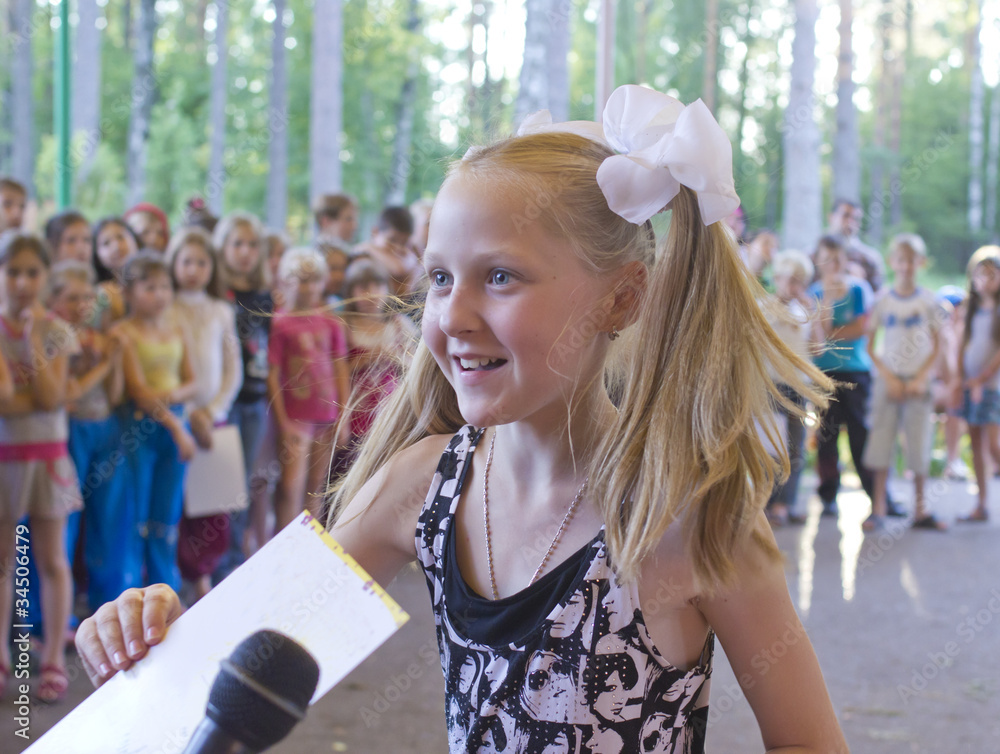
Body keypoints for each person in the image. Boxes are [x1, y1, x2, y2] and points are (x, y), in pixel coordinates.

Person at [76, 85, 848, 752]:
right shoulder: (426, 484)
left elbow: (809, 737)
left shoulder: (682, 516)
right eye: (441, 277)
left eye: (501, 276)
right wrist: (144, 632)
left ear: (622, 297)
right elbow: (250, 650)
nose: (452, 316)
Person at [0, 234, 76, 703]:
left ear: (46, 277)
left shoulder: (55, 330)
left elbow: (49, 396)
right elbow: (4, 402)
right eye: (13, 272)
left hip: (49, 456)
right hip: (7, 459)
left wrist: (29, 340)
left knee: (51, 560)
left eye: (33, 272)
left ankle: (50, 658)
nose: (23, 282)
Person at [166, 227, 242, 600]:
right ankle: (170, 576)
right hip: (175, 421)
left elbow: (233, 368)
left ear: (211, 267)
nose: (193, 269)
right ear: (173, 264)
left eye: (201, 262)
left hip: (214, 420)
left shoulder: (221, 311)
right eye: (186, 261)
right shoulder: (165, 306)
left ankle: (201, 577)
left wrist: (212, 411)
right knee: (173, 503)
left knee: (212, 509)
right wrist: (185, 412)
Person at [48, 261, 129, 610]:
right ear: (54, 301)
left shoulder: (99, 338)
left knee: (110, 517)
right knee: (63, 522)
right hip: (70, 433)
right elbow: (70, 393)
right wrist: (104, 366)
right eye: (72, 298)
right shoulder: (52, 338)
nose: (82, 306)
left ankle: (106, 602)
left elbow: (113, 395)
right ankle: (51, 612)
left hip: (106, 428)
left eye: (87, 298)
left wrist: (114, 363)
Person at [114, 253, 198, 591]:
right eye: (150, 287)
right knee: (136, 514)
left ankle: (166, 590)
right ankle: (130, 592)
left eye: (165, 287)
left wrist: (174, 401)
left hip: (175, 423)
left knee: (167, 513)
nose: (160, 294)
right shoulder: (122, 333)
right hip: (141, 427)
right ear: (130, 292)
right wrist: (177, 424)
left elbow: (194, 381)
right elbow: (139, 391)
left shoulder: (177, 328)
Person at [863, 234, 945, 531]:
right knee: (881, 441)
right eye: (901, 259)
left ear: (920, 263)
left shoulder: (928, 300)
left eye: (912, 260)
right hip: (889, 381)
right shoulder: (883, 299)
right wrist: (889, 377)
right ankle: (879, 508)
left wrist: (922, 377)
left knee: (919, 442)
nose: (907, 266)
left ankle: (920, 509)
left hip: (917, 383)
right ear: (892, 262)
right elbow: (871, 346)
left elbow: (938, 345)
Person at [267, 247, 350, 531]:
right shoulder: (279, 323)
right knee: (290, 486)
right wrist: (282, 422)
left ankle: (309, 547)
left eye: (314, 280)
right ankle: (283, 548)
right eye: (301, 280)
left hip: (326, 416)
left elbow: (340, 369)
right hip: (296, 418)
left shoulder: (330, 321)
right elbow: (273, 374)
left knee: (316, 486)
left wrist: (344, 416)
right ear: (286, 281)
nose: (309, 287)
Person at [809, 235, 885, 518]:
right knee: (826, 436)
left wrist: (829, 335)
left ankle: (876, 497)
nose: (833, 265)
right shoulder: (815, 292)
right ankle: (828, 494)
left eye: (838, 258)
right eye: (827, 259)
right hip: (824, 373)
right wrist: (827, 302)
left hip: (855, 371)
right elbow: (817, 339)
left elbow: (861, 328)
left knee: (860, 435)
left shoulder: (859, 289)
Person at [212, 211, 271, 578]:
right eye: (237, 244)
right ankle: (216, 566)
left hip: (254, 399)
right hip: (222, 401)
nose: (245, 252)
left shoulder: (264, 295)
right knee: (220, 485)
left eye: (252, 245)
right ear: (223, 247)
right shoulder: (217, 296)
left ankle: (235, 559)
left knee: (244, 483)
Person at [762, 249, 815, 526]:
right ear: (777, 278)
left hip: (796, 386)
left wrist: (811, 314)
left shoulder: (802, 312)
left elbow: (816, 345)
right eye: (791, 280)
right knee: (771, 444)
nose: (796, 288)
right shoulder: (764, 307)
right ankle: (767, 501)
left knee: (795, 446)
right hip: (771, 386)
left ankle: (786, 502)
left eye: (801, 282)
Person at [341, 258, 417, 446]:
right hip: (352, 413)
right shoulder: (344, 326)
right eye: (362, 288)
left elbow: (415, 368)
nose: (371, 295)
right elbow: (335, 372)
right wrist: (367, 357)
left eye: (377, 286)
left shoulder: (399, 325)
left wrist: (394, 356)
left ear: (387, 289)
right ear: (350, 292)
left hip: (390, 411)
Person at [953, 245, 1000, 523]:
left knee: (994, 445)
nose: (985, 280)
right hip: (971, 385)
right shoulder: (970, 309)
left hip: (992, 386)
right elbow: (962, 345)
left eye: (992, 275)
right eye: (980, 275)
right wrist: (962, 379)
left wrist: (981, 379)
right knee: (976, 444)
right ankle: (981, 504)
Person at [931, 286, 969, 479]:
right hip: (930, 387)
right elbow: (945, 373)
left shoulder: (965, 333)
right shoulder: (935, 333)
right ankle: (918, 462)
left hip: (951, 389)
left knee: (956, 401)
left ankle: (953, 461)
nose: (955, 314)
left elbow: (954, 376)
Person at [353, 206, 421, 297]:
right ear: (375, 232)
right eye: (392, 240)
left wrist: (369, 248)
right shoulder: (363, 256)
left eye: (404, 243)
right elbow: (398, 269)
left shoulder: (367, 249)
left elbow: (399, 268)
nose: (398, 247)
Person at [826, 199, 885, 292]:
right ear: (831, 217)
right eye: (845, 216)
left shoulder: (870, 258)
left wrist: (861, 283)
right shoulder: (812, 256)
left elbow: (878, 297)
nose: (850, 222)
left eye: (856, 219)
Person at [91, 216, 140, 326]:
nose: (116, 247)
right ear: (97, 256)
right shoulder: (100, 294)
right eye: (106, 243)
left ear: (134, 239)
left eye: (120, 237)